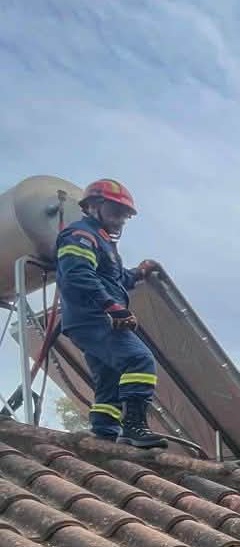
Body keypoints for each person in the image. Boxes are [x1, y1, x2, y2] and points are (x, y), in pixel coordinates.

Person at [56, 179, 166, 448]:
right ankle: (134, 427)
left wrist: (139, 272)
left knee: (110, 378)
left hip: (90, 318)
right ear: (94, 206)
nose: (120, 221)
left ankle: (104, 433)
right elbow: (78, 273)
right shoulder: (81, 235)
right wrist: (114, 308)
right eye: (116, 213)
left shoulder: (104, 243)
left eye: (124, 217)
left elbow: (115, 279)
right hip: (93, 317)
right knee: (139, 360)